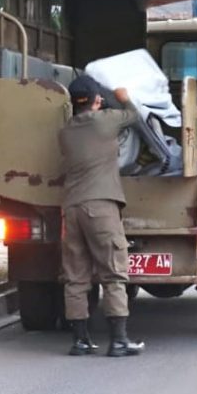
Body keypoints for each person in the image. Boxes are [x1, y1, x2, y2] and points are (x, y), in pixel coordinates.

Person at [60, 75, 145, 357]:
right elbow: (134, 115)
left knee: (75, 277)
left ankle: (80, 341)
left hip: (72, 208)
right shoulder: (105, 121)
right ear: (97, 100)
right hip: (101, 207)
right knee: (113, 273)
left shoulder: (65, 131)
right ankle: (119, 341)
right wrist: (123, 96)